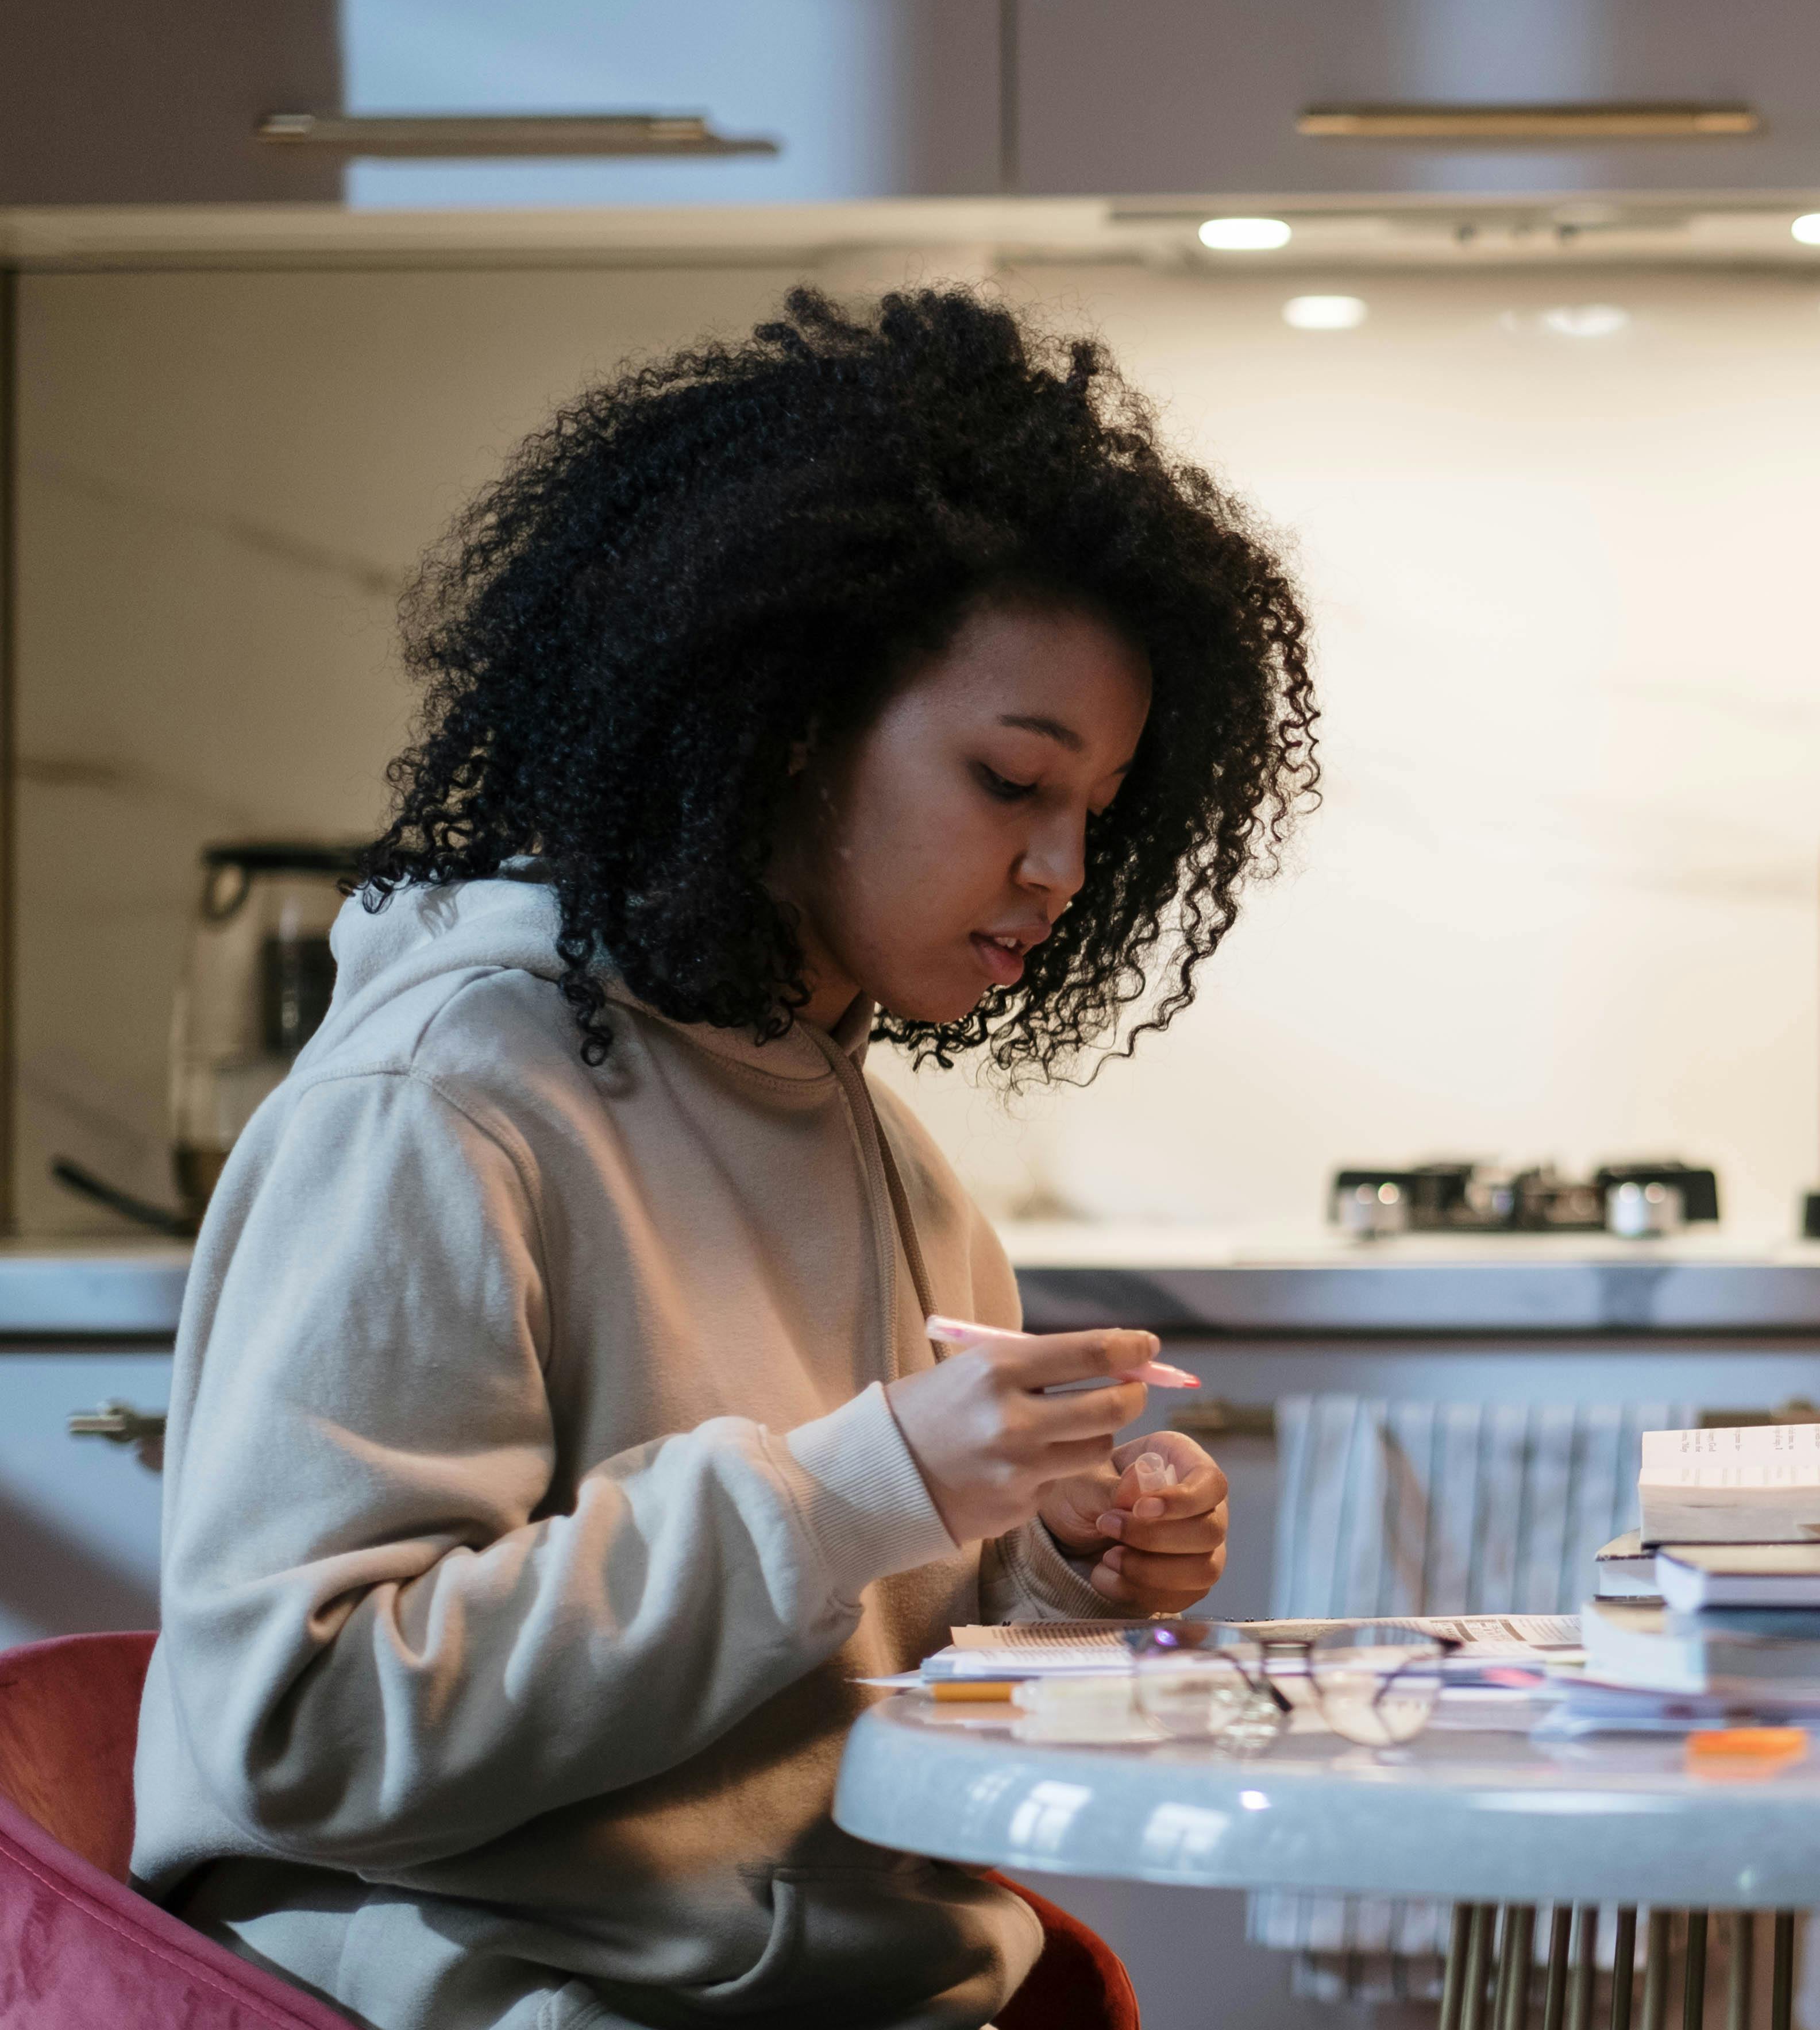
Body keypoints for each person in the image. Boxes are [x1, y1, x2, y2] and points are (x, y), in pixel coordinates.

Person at [132, 286, 1318, 2029]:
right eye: (1011, 781)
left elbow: (846, 1716)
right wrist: (849, 1488)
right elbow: (303, 1733)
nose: (1062, 870)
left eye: (1100, 814)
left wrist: (1056, 1571)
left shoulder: (891, 1163)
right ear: (783, 724)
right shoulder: (443, 1109)